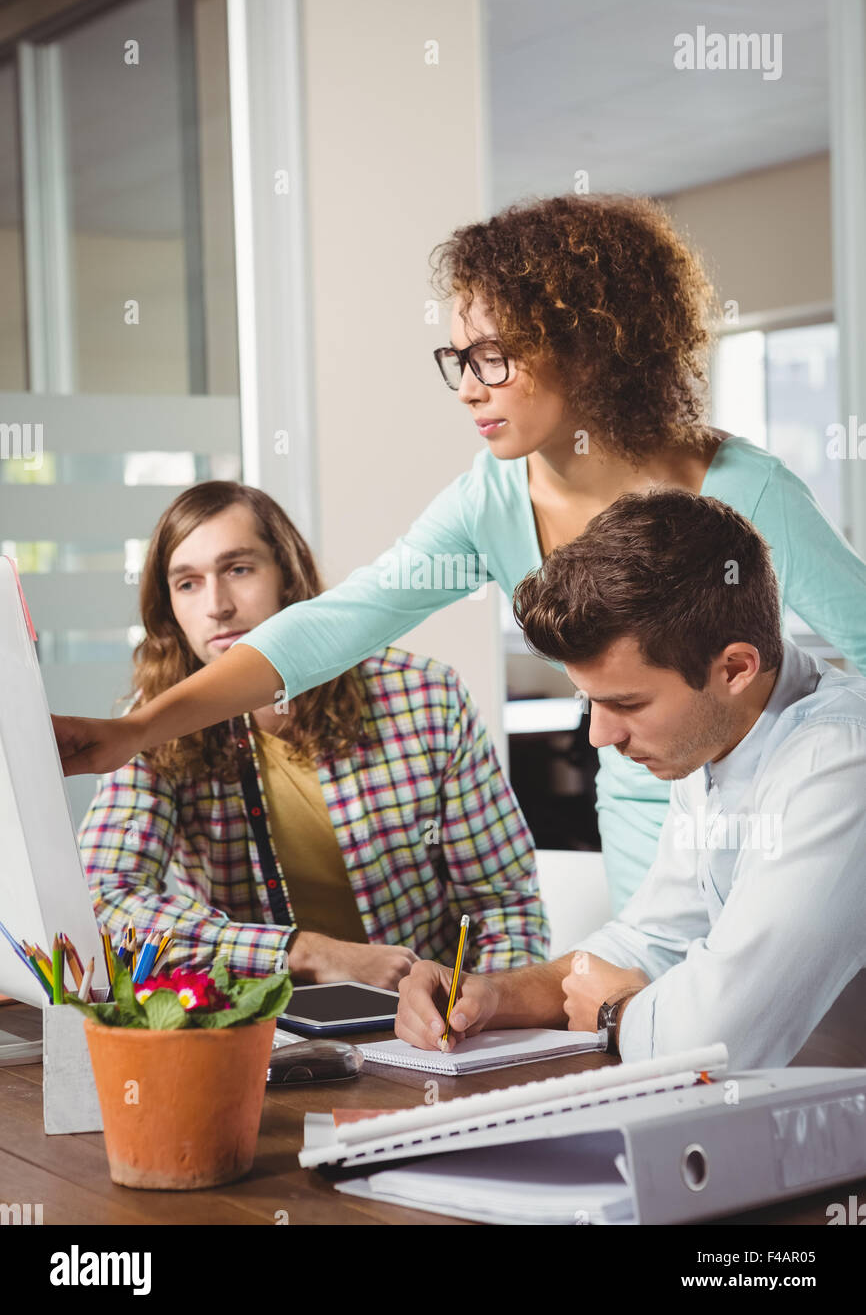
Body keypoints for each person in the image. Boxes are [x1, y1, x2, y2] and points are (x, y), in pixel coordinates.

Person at [53, 193, 866, 913]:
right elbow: (336, 624)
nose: (470, 387)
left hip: (782, 819)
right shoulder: (493, 501)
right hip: (644, 819)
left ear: (587, 345)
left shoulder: (744, 488)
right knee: (663, 1046)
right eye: (459, 360)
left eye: (493, 357)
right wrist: (140, 729)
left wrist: (820, 784)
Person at [392, 490, 866, 1071]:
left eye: (628, 703)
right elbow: (653, 939)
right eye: (589, 701)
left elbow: (718, 1045)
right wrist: (492, 995)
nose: (599, 737)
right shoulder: (716, 735)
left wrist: (614, 1012)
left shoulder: (841, 761)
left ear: (735, 668)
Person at [76, 482, 550, 983]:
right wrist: (300, 951)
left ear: (288, 574)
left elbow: (505, 908)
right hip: (258, 1031)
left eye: (238, 569)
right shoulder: (151, 726)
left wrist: (481, 1012)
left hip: (423, 1026)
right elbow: (102, 899)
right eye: (188, 583)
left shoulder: (425, 696)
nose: (217, 605)